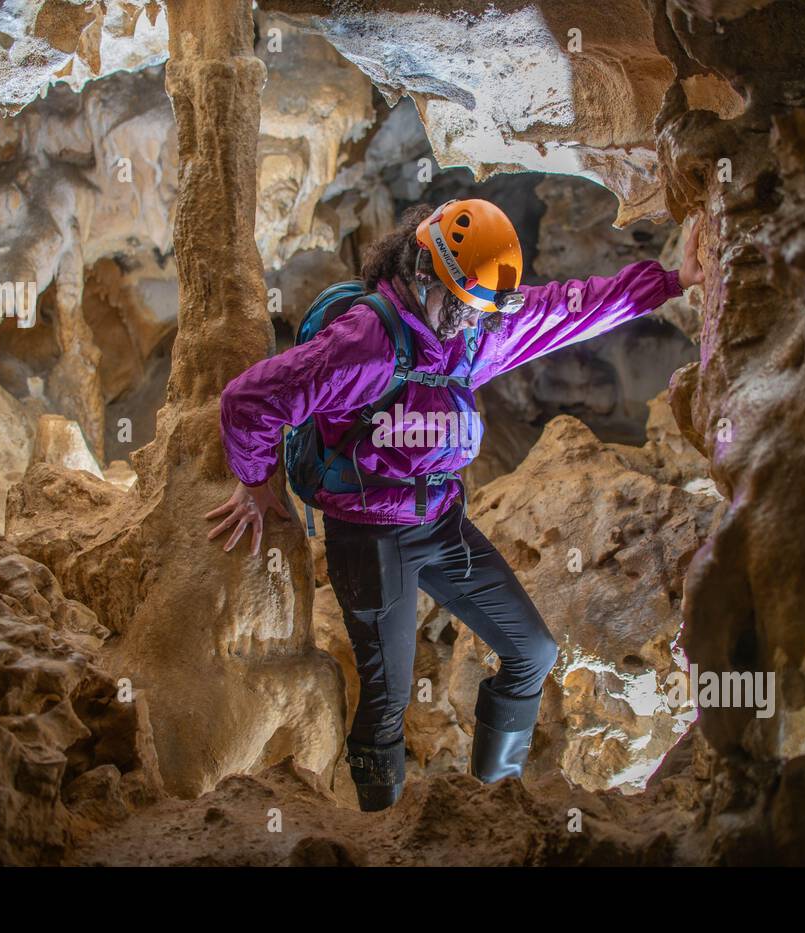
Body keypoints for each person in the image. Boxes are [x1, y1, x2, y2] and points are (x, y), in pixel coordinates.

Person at [209, 198, 703, 811]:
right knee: (389, 700)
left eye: (484, 313)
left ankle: (496, 806)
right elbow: (250, 400)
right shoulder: (366, 342)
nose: (473, 324)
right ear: (424, 272)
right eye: (464, 308)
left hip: (443, 527)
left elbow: (570, 309)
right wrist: (255, 481)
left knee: (533, 653)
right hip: (369, 539)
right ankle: (382, 829)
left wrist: (671, 280)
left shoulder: (475, 335)